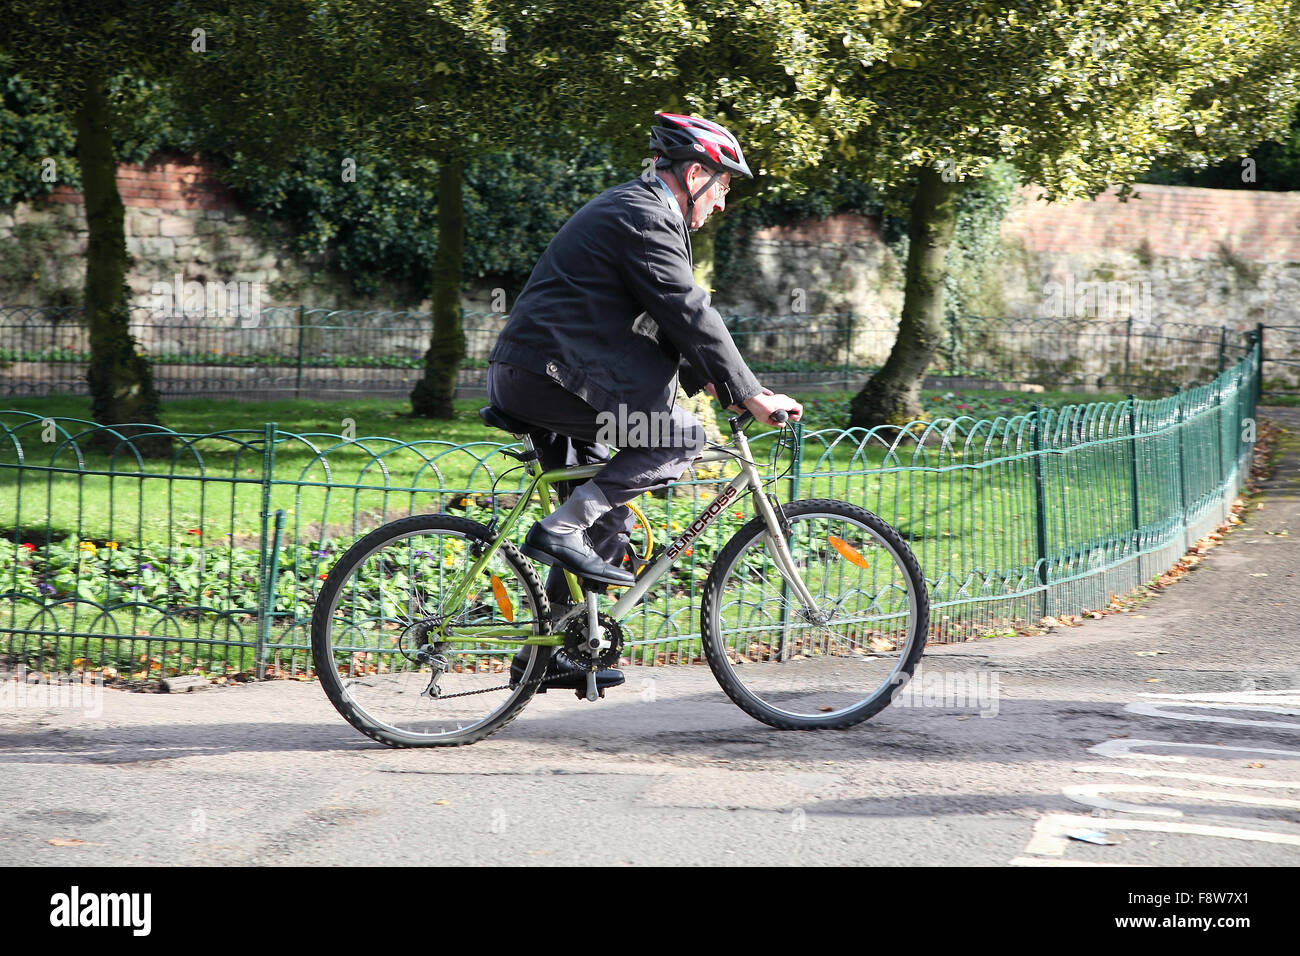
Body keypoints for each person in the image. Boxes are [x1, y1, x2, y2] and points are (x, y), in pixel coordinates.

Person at [486, 112, 802, 692]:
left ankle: (556, 650)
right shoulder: (645, 216)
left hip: (546, 373)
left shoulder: (641, 212)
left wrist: (711, 379)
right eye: (724, 185)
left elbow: (654, 321)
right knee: (680, 438)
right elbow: (687, 309)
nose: (723, 203)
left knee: (609, 517)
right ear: (697, 172)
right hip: (548, 376)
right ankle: (559, 531)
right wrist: (750, 392)